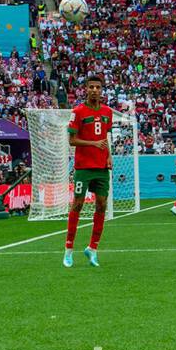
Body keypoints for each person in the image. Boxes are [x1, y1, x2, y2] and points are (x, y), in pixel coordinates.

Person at [62, 74, 112, 268]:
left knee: (101, 205)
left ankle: (92, 249)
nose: (94, 90)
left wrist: (108, 156)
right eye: (91, 87)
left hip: (101, 168)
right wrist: (94, 144)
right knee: (78, 205)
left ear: (101, 90)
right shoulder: (78, 111)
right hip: (83, 167)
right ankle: (68, 250)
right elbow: (72, 141)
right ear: (86, 89)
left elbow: (105, 138)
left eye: (97, 87)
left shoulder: (108, 112)